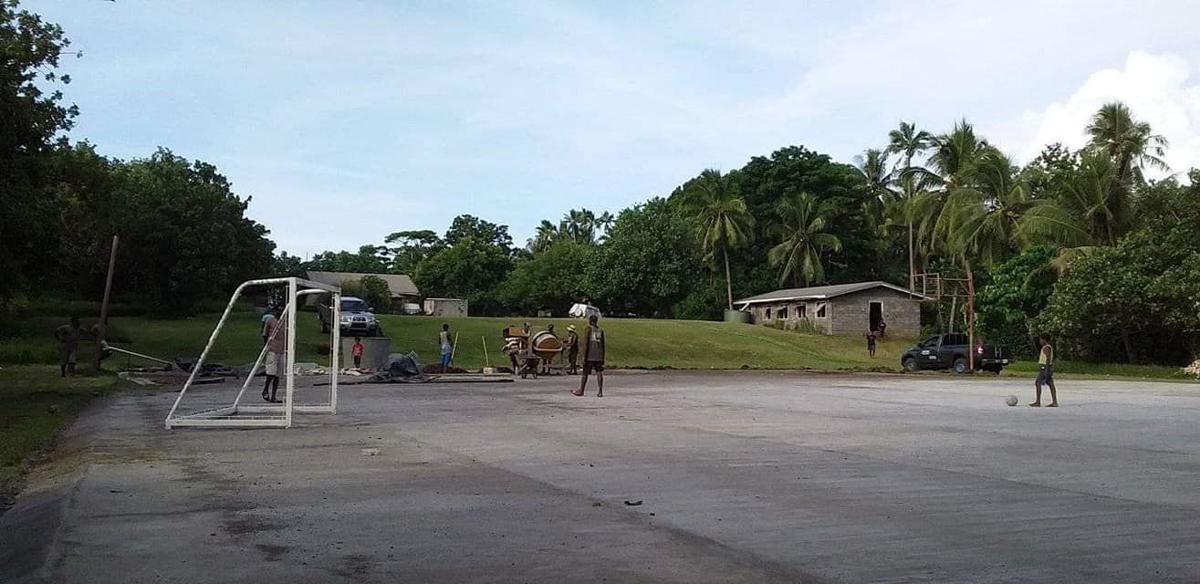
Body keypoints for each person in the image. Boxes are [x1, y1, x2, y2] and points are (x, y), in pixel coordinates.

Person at [572, 314, 606, 397]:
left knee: (585, 373)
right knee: (599, 372)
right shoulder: (600, 330)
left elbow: (586, 343)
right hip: (599, 355)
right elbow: (603, 345)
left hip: (590, 355)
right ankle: (600, 391)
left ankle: (581, 390)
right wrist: (602, 356)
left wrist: (584, 356)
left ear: (590, 321)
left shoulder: (588, 329)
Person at [262, 308, 286, 403]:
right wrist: (266, 346)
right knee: (271, 371)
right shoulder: (270, 321)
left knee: (278, 374)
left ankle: (273, 396)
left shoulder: (285, 322)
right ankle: (266, 389)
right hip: (273, 349)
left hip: (282, 350)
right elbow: (264, 333)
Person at [1030, 336, 1058, 407]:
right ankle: (1054, 402)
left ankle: (1038, 402)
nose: (1040, 341)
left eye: (1041, 340)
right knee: (1050, 383)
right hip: (1046, 367)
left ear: (1045, 339)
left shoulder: (1046, 347)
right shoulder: (1046, 347)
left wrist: (1046, 369)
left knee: (1038, 382)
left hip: (1045, 367)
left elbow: (1048, 359)